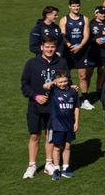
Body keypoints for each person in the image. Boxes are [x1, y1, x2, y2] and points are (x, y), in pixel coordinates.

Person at [21, 36, 69, 179]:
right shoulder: (32, 63)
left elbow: (68, 80)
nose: (49, 49)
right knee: (34, 135)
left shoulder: (62, 62)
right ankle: (32, 165)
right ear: (41, 47)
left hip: (55, 107)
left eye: (52, 47)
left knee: (50, 135)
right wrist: (36, 96)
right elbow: (24, 84)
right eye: (47, 47)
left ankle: (49, 163)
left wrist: (70, 87)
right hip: (35, 106)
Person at [46, 70, 79, 179]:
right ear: (55, 82)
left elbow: (76, 107)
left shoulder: (73, 92)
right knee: (57, 147)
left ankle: (65, 167)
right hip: (56, 124)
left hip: (69, 124)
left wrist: (76, 122)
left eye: (65, 81)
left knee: (68, 146)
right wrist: (53, 83)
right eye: (60, 82)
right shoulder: (53, 91)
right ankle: (56, 168)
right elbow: (45, 86)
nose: (63, 84)